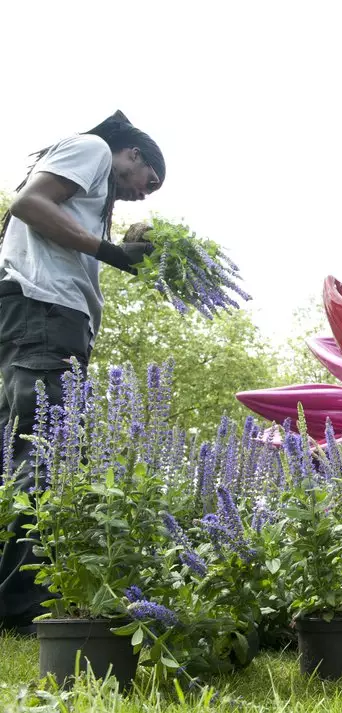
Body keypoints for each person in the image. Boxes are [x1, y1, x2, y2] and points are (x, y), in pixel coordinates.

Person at [0, 110, 165, 635]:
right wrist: (111, 251)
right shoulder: (92, 148)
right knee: (47, 451)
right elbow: (28, 205)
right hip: (45, 314)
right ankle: (21, 608)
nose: (146, 192)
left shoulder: (92, 187)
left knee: (20, 451)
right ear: (132, 153)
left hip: (39, 316)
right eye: (149, 180)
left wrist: (117, 241)